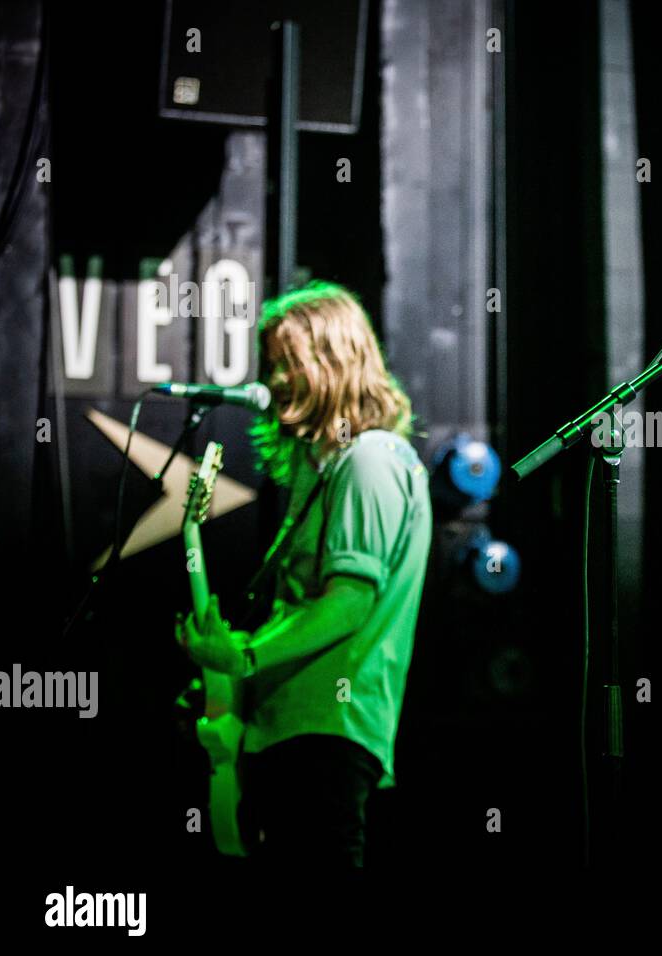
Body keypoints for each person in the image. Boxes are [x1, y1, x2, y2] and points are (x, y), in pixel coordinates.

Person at [178, 280, 431, 867]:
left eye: (286, 364)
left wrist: (243, 658)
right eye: (271, 365)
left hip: (326, 736)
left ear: (332, 361)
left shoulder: (368, 460)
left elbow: (348, 604)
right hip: (289, 735)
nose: (272, 382)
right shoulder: (325, 472)